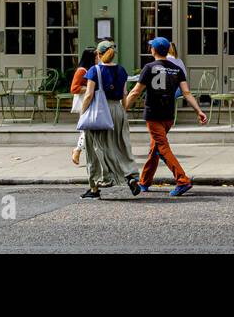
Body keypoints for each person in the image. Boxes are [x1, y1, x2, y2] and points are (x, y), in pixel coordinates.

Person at [124, 37, 207, 197]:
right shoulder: (177, 69)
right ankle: (145, 182)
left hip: (153, 114)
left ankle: (183, 180)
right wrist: (198, 110)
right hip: (168, 114)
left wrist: (123, 109)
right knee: (155, 147)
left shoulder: (149, 67)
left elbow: (135, 92)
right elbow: (186, 93)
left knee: (162, 148)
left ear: (153, 50)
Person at [77, 40, 140, 200]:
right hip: (118, 110)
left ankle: (95, 186)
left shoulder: (94, 70)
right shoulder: (121, 70)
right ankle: (130, 176)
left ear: (98, 54)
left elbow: (89, 95)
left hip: (100, 112)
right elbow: (125, 94)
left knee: (96, 149)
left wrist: (83, 113)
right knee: (120, 146)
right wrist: (123, 111)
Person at [69, 47, 97, 166]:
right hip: (84, 102)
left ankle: (80, 150)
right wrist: (90, 88)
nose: (98, 58)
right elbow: (74, 88)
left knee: (89, 129)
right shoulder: (82, 71)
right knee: (87, 129)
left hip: (89, 101)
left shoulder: (90, 69)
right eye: (96, 56)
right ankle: (78, 150)